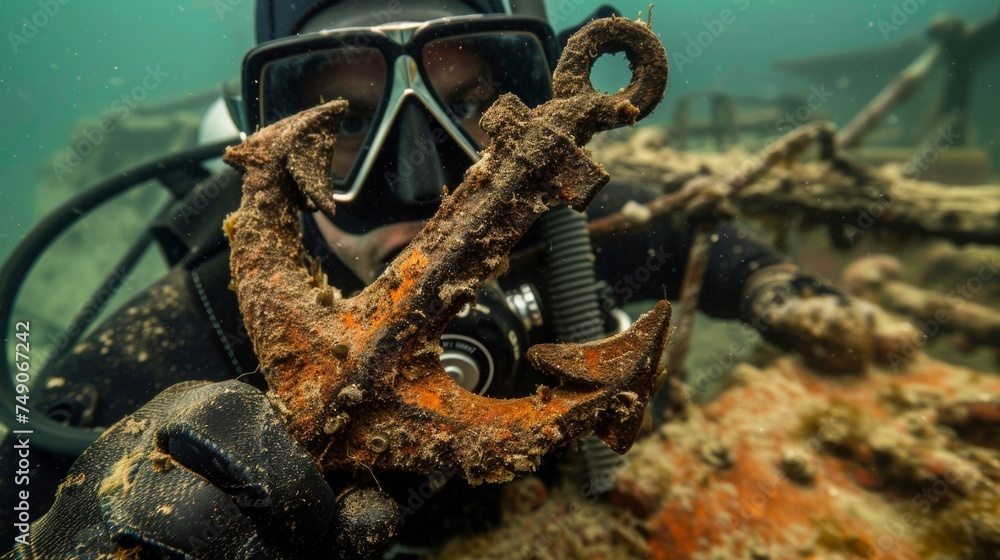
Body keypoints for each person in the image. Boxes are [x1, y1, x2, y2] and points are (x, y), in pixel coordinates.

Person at [2, 1, 902, 557]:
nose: (426, 182)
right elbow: (26, 489)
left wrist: (790, 294)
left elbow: (714, 241)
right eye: (349, 119)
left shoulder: (580, 234)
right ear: (266, 140)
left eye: (471, 105)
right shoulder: (169, 348)